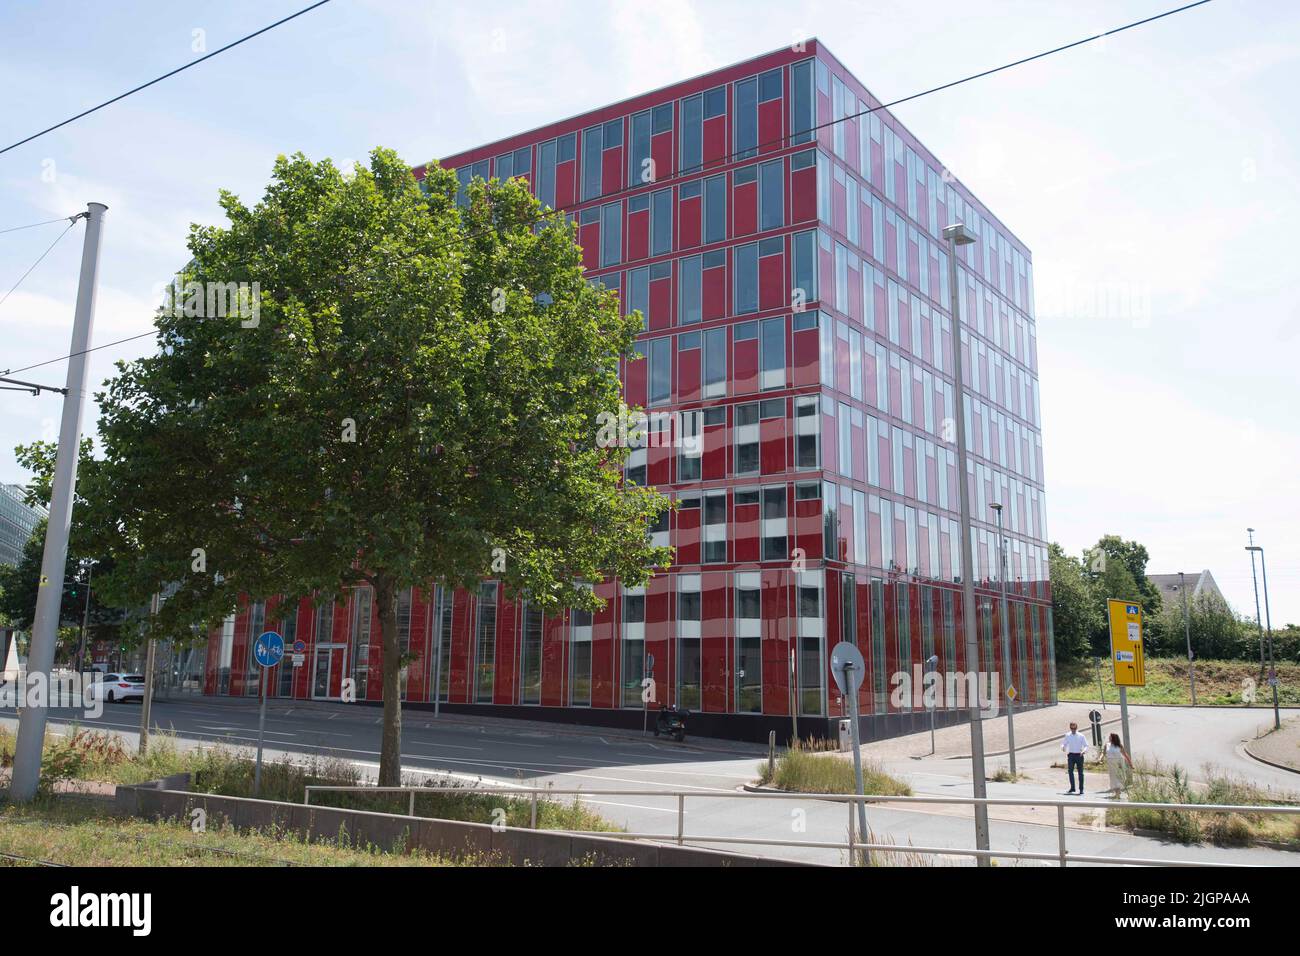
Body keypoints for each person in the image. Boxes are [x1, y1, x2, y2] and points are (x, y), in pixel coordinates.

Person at [1060, 721, 1089, 794]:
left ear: (1076, 727)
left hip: (1079, 755)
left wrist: (1083, 751)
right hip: (1071, 755)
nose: (1073, 729)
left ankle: (1081, 789)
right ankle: (1072, 788)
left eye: (1074, 728)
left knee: (1080, 773)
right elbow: (1064, 744)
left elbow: (1086, 745)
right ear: (1070, 728)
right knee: (1070, 771)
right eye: (1072, 728)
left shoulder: (1081, 736)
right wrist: (1063, 747)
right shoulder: (1067, 735)